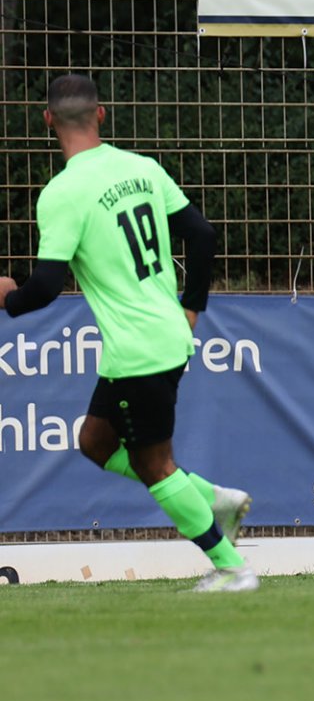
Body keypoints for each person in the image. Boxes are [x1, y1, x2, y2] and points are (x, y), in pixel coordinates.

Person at [0, 74, 257, 592]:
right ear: (101, 115)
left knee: (154, 465)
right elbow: (202, 236)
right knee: (94, 441)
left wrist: (8, 296)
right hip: (162, 338)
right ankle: (212, 497)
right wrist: (192, 307)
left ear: (48, 121)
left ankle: (232, 568)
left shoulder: (62, 193)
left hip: (137, 352)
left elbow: (46, 286)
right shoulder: (141, 168)